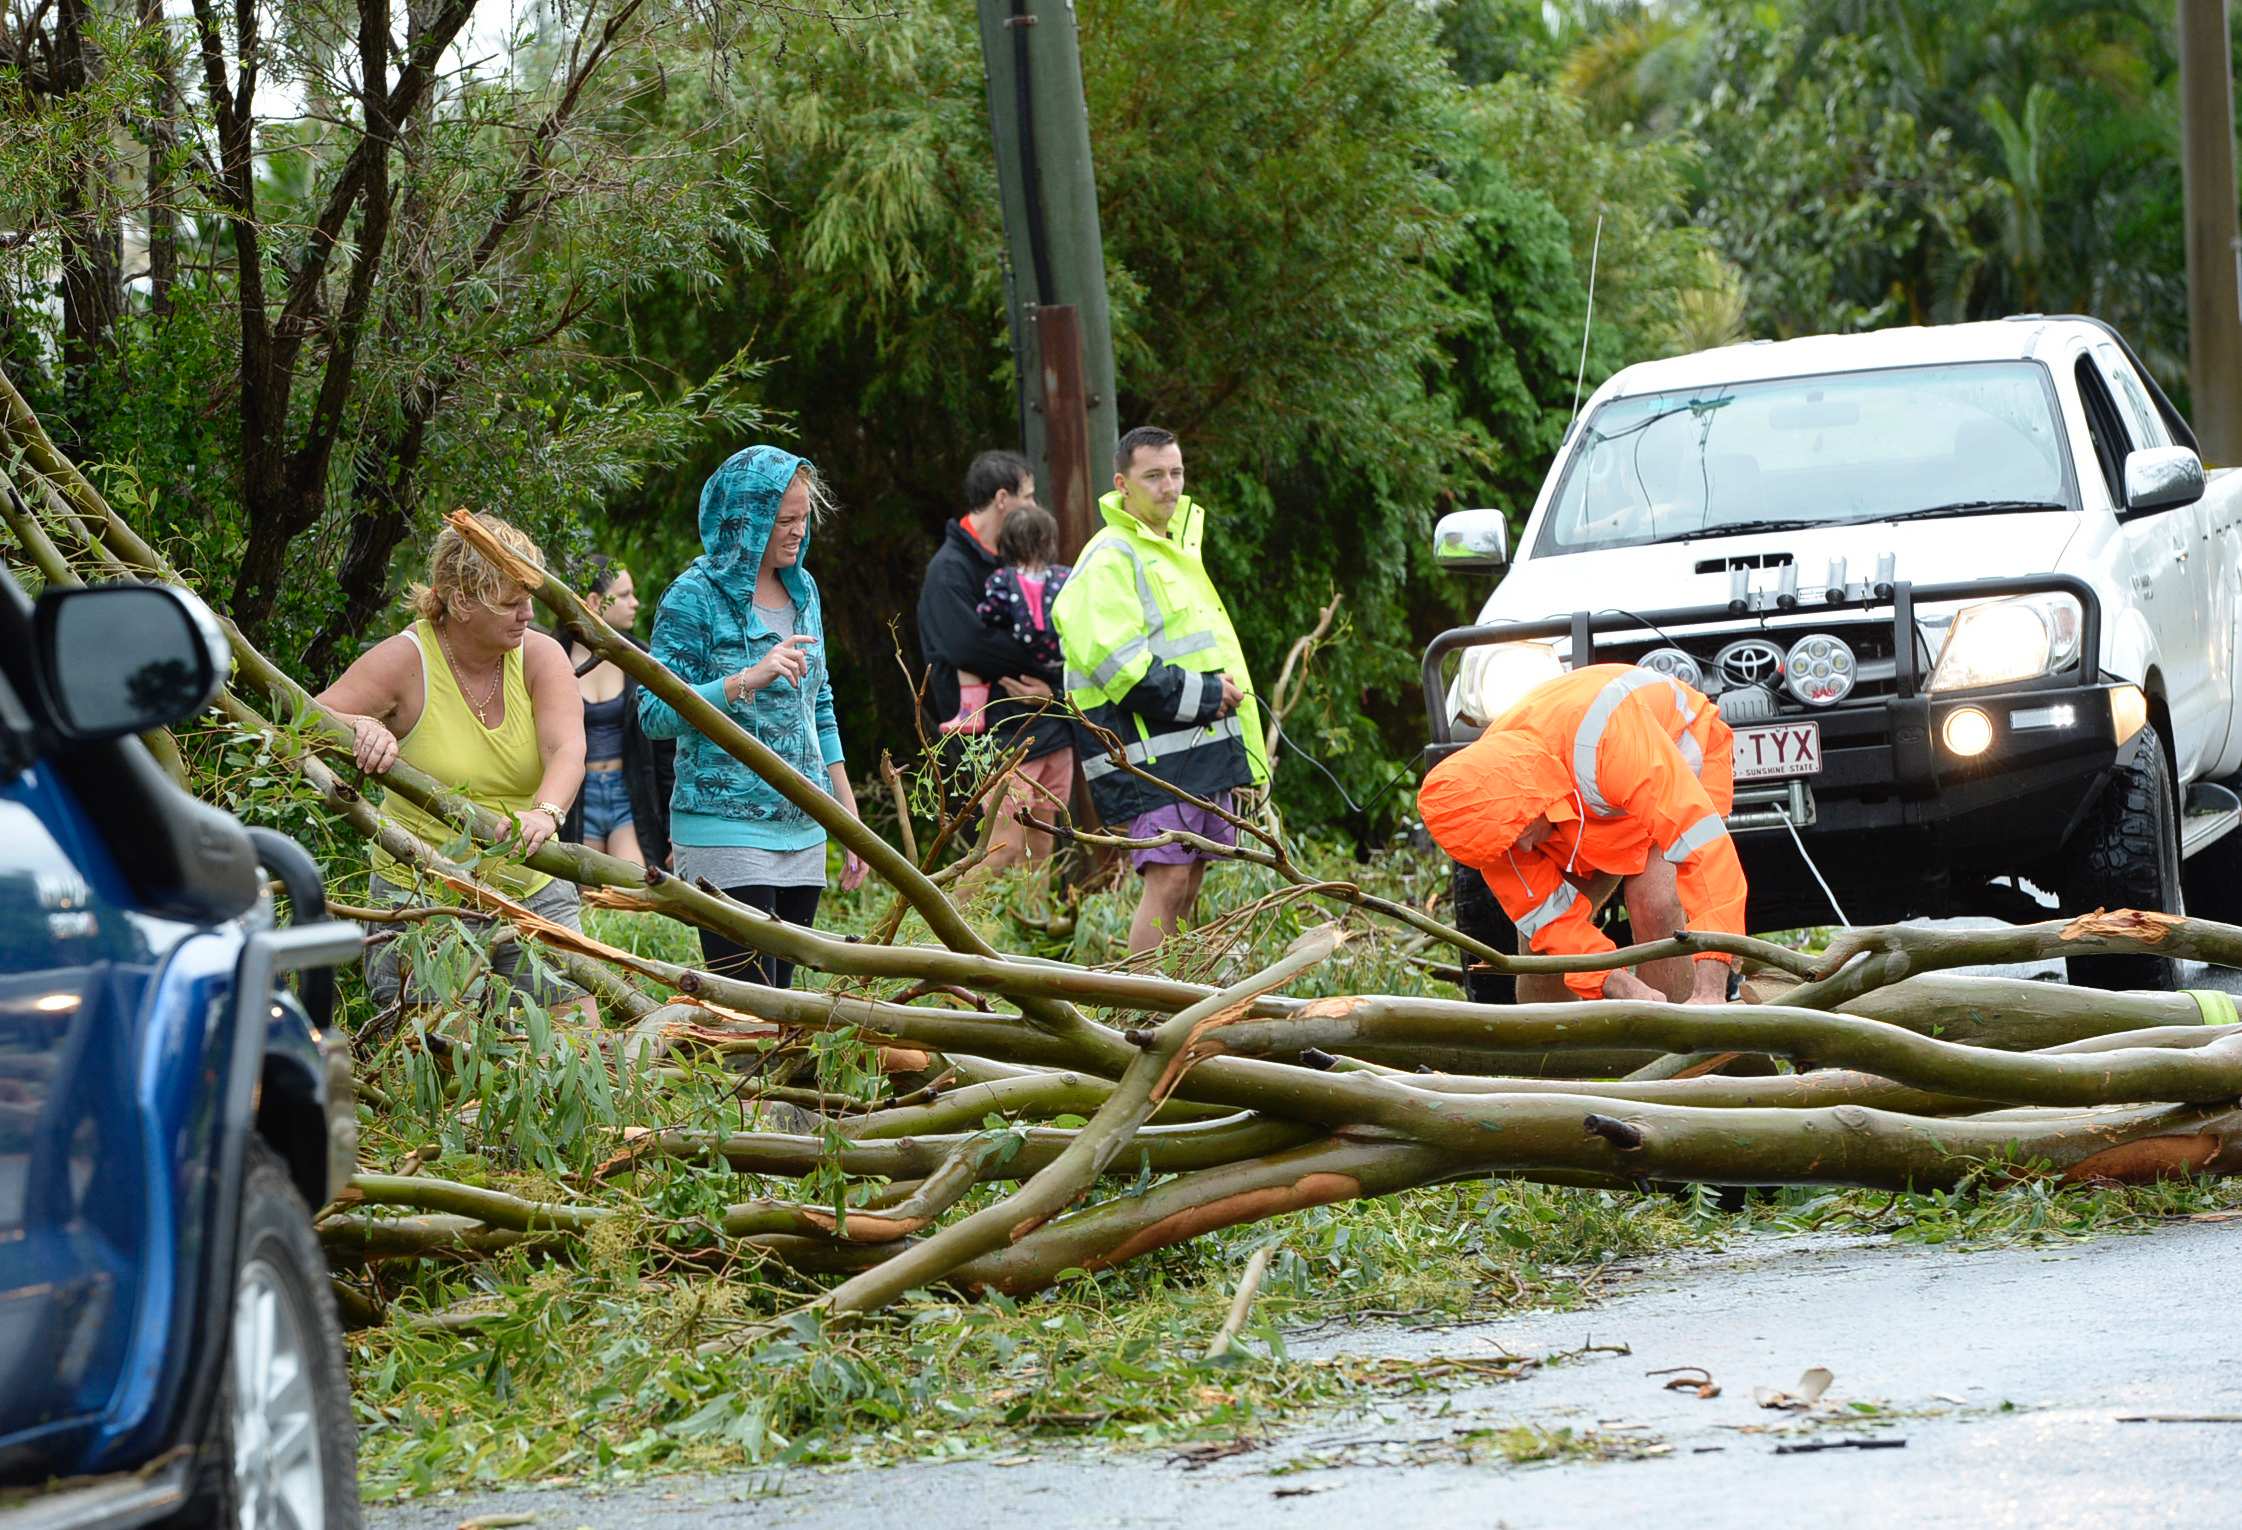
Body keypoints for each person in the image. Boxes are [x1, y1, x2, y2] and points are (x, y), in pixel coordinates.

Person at [316, 513, 590, 1013]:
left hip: (529, 887)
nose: (528, 613)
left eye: (530, 598)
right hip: (421, 894)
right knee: (441, 1051)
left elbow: (566, 749)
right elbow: (311, 718)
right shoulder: (405, 660)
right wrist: (362, 726)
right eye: (511, 603)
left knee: (576, 1037)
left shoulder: (540, 657)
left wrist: (545, 813)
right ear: (460, 600)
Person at [638, 445, 867, 992]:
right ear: (744, 521)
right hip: (725, 828)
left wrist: (847, 818)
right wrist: (746, 680)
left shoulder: (803, 589)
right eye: (782, 519)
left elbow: (822, 704)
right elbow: (652, 714)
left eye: (803, 516)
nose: (797, 530)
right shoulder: (692, 598)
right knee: (746, 1004)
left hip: (805, 829)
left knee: (784, 1006)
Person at [1052, 425, 1268, 955]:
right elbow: (1120, 669)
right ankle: (1145, 1014)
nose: (1169, 486)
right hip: (1147, 756)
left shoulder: (1171, 550)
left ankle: (1174, 1001)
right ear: (1123, 484)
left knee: (1188, 884)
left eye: (1176, 473)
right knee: (1168, 882)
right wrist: (1208, 695)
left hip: (1194, 750)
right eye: (1154, 475)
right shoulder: (1111, 557)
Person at [1416, 663, 1746, 1005]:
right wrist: (1621, 986)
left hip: (1674, 754)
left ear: (1530, 794)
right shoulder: (1488, 820)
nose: (1524, 846)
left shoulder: (1609, 741)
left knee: (1654, 901)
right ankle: (1551, 1050)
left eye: (1521, 831)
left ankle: (1684, 1037)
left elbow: (1705, 853)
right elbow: (1555, 926)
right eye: (1510, 844)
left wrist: (1710, 986)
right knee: (1539, 944)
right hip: (1596, 802)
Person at [915, 450, 1076, 867]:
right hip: (989, 735)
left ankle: (1033, 928)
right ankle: (958, 928)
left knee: (1041, 848)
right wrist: (1042, 661)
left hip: (1045, 723)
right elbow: (967, 645)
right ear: (1003, 498)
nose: (1035, 508)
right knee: (1000, 848)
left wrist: (1053, 687)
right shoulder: (949, 570)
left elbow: (1065, 636)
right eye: (1029, 495)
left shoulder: (1022, 562)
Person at [560, 555, 674, 872]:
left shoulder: (642, 660)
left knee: (631, 892)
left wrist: (671, 830)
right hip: (578, 796)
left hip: (629, 794)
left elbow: (666, 751)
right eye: (624, 595)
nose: (635, 603)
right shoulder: (554, 655)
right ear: (594, 601)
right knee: (585, 901)